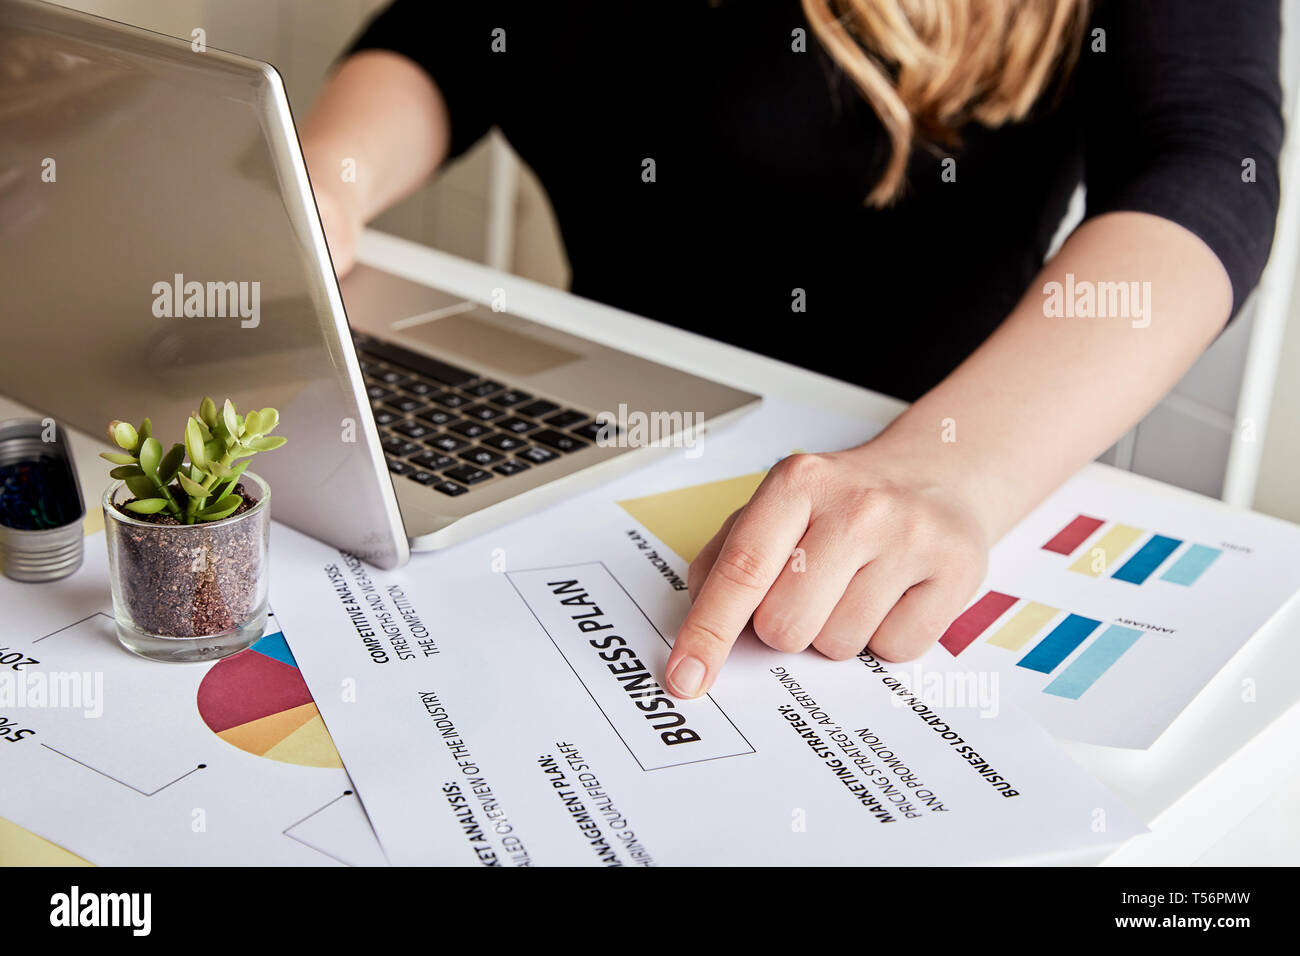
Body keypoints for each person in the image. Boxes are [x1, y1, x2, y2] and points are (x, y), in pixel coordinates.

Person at [301, 0, 1283, 701]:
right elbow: (449, 37)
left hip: (925, 499)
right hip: (581, 447)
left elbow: (1202, 157)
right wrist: (324, 189)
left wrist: (947, 470)